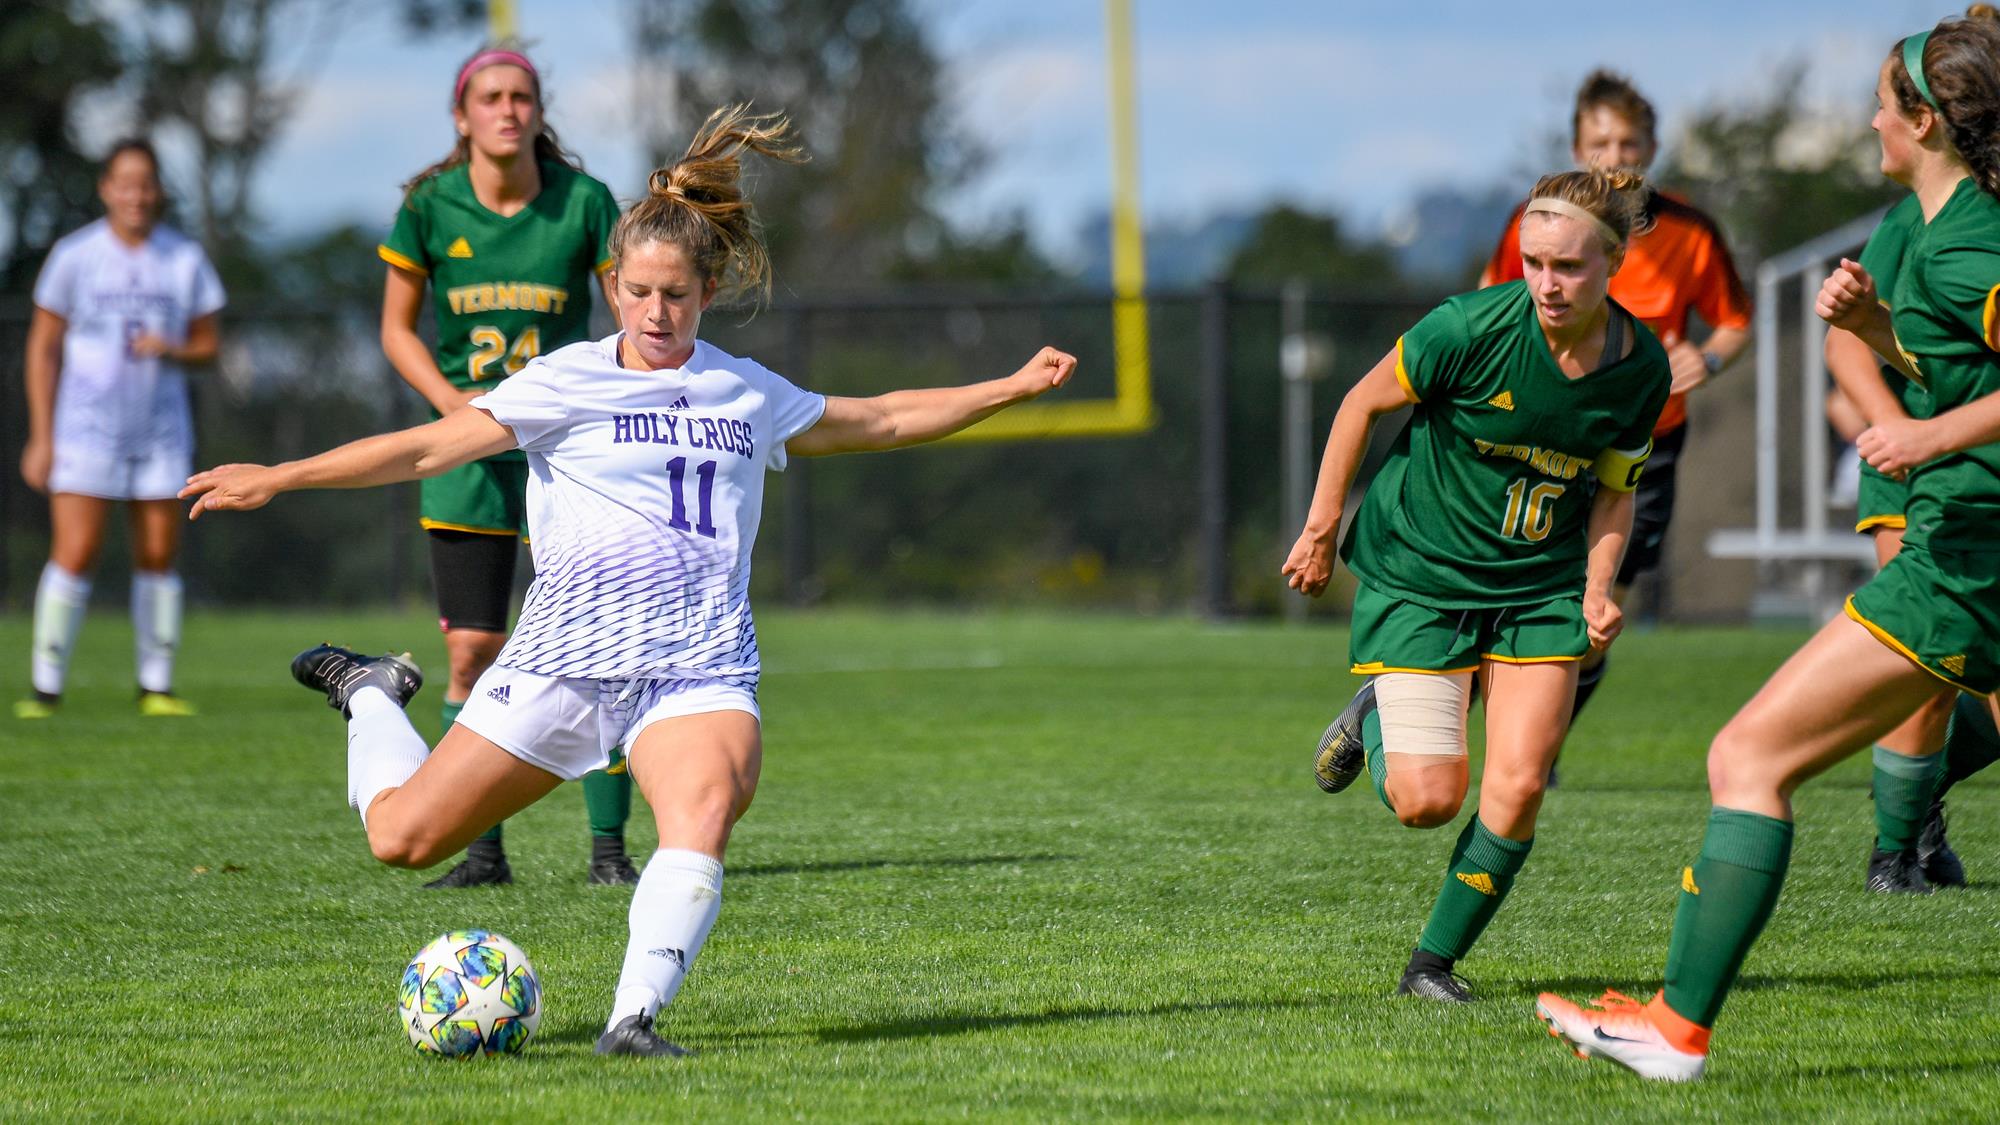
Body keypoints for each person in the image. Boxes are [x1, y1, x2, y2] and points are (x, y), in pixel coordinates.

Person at [180, 106, 1077, 1057]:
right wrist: (281, 475)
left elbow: (885, 418)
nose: (657, 313)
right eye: (640, 291)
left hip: (696, 663)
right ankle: (369, 694)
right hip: (566, 659)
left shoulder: (745, 391)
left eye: (677, 295)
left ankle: (632, 1020)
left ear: (709, 289)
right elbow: (426, 445)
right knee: (403, 838)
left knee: (706, 804)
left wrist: (1006, 387)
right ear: (612, 287)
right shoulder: (563, 382)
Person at [1536, 14, 2000, 1081]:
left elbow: (1956, 408)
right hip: (1966, 545)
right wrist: (1882, 333)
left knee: (1746, 757)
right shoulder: (1934, 229)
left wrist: (1924, 434)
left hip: (1962, 560)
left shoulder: (1973, 235)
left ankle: (1673, 1031)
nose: (1870, 116)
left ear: (1924, 121)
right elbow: (1963, 373)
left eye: (1885, 100)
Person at [1284, 167, 1670, 1003]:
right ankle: (1377, 710)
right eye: (1533, 262)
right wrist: (1319, 529)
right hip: (1422, 574)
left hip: (1540, 587)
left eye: (1567, 266)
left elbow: (1615, 488)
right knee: (1428, 800)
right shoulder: (1467, 326)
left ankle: (1431, 964)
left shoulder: (1642, 369)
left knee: (1522, 783)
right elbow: (1359, 404)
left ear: (1613, 262)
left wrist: (1600, 585)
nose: (1546, 283)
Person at [378, 44, 633, 888]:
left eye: (521, 95)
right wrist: (462, 413)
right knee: (473, 653)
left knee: (601, 646)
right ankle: (482, 851)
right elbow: (396, 332)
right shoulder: (430, 205)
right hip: (468, 453)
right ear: (463, 115)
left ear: (538, 110)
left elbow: (631, 305)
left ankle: (609, 853)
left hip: (568, 454)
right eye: (490, 96)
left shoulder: (584, 203)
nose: (508, 109)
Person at [1478, 71, 1752, 759]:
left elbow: (1733, 322)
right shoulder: (1536, 220)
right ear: (1576, 146)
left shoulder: (1689, 231)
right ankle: (1499, 732)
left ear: (1652, 147)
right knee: (1519, 595)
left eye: (1629, 142)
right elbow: (1489, 302)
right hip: (1549, 439)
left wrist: (1707, 361)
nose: (1615, 156)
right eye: (1600, 142)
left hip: (1647, 443)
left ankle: (1536, 746)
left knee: (1596, 613)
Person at [16, 138, 224, 719]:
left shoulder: (182, 258)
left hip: (159, 431)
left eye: (147, 184)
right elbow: (43, 347)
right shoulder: (75, 255)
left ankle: (155, 686)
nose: (136, 195)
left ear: (158, 191)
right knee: (76, 550)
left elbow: (210, 345)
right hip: (84, 430)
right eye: (125, 183)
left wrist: (174, 347)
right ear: (107, 188)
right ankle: (46, 688)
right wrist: (41, 433)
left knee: (158, 552)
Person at [1824, 191, 1964, 892]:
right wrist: (1897, 432)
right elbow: (1844, 338)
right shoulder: (1913, 220)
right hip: (1917, 475)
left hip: (1979, 471)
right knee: (1929, 664)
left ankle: (1917, 798)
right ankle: (1896, 848)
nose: (1881, 122)